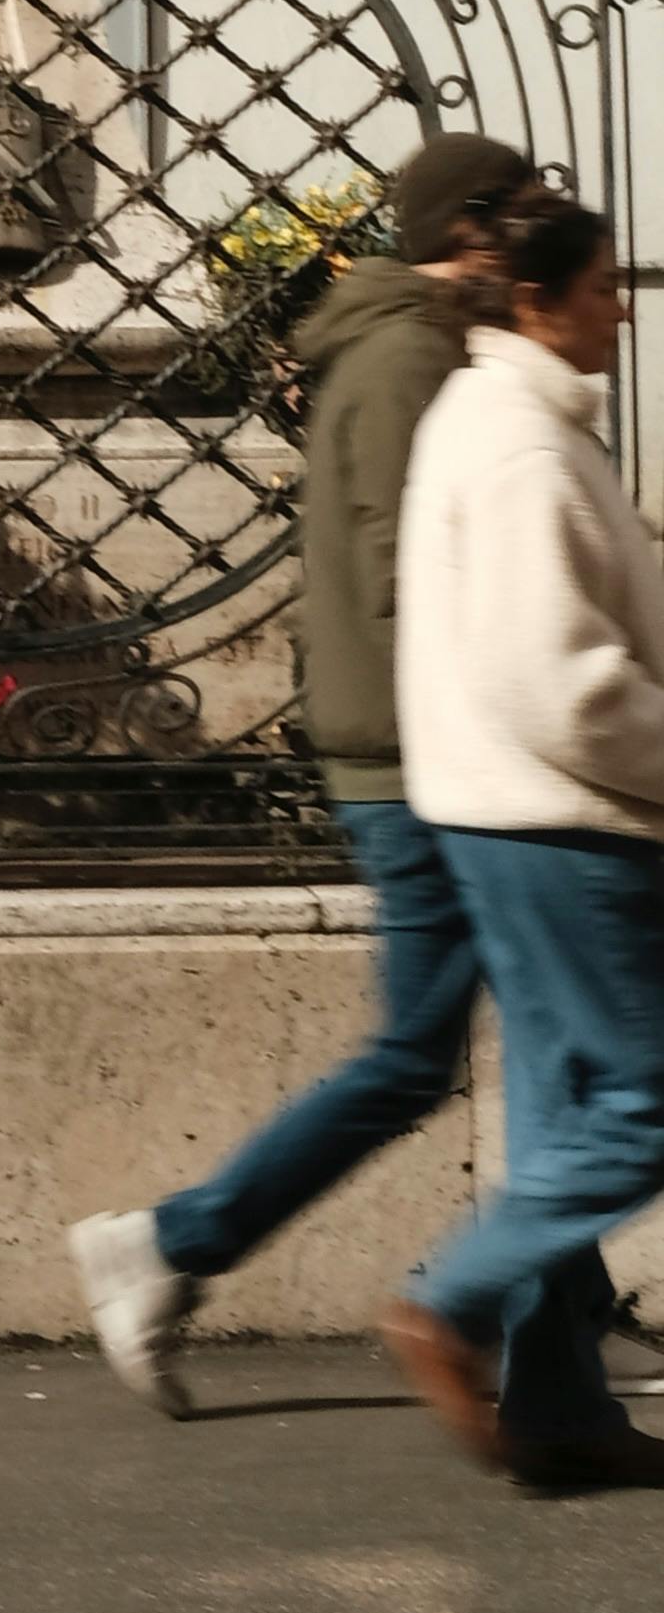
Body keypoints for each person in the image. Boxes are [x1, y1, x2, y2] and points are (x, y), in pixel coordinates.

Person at [64, 134, 628, 1439]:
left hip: (431, 750)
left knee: (538, 1052)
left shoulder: (423, 343)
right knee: (435, 1057)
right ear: (473, 230)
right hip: (420, 757)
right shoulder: (405, 357)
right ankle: (174, 1243)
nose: (542, 238)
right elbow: (412, 574)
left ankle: (557, 1339)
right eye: (521, 215)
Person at [383, 198, 664, 1490]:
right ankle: (449, 1299)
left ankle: (560, 1409)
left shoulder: (514, 423)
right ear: (541, 299)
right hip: (563, 823)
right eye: (603, 286)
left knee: (564, 1118)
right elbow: (561, 683)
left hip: (509, 815)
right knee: (646, 1105)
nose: (621, 305)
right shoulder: (522, 447)